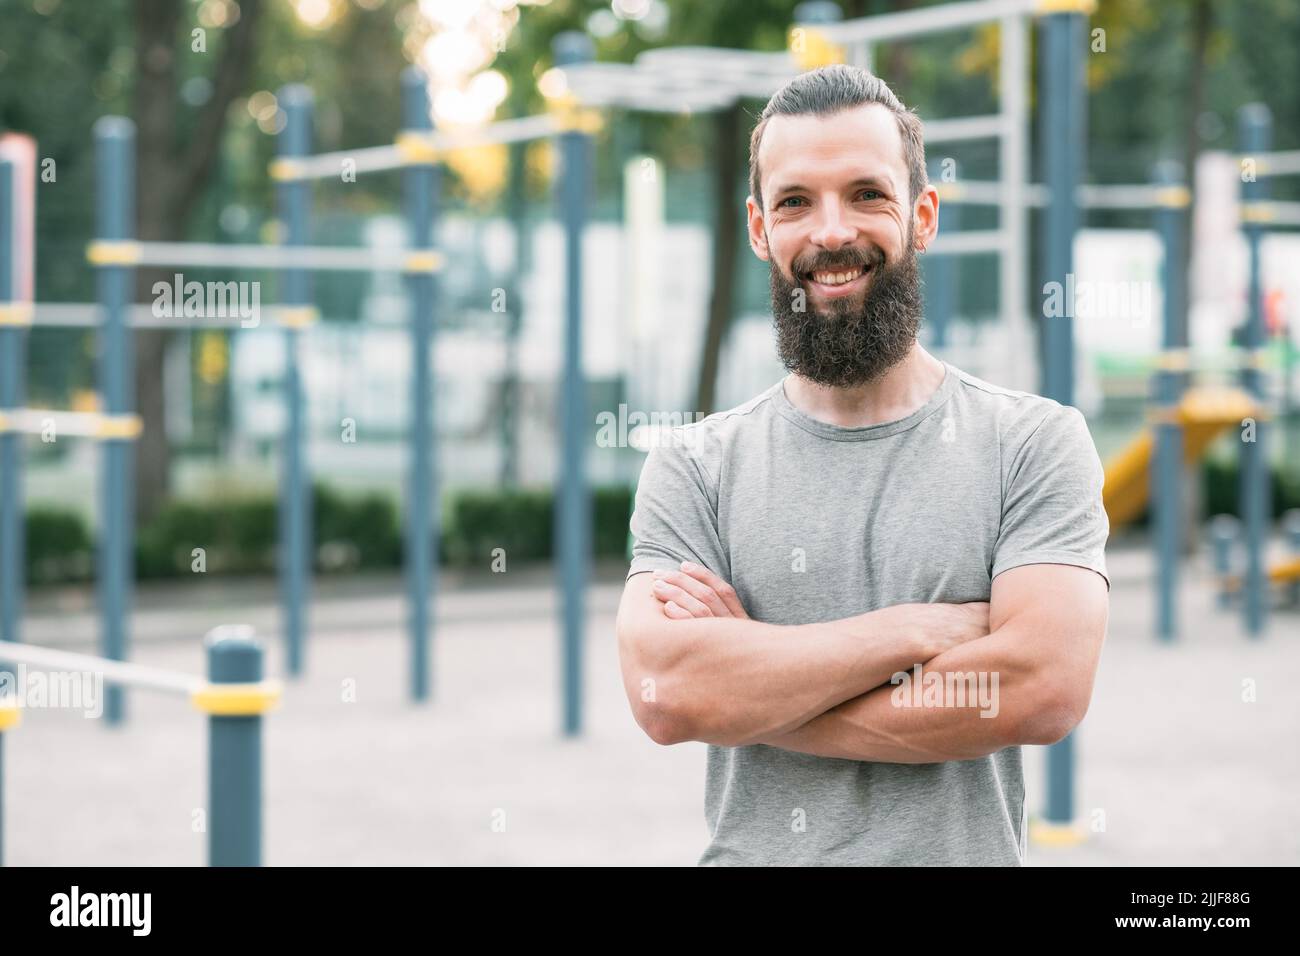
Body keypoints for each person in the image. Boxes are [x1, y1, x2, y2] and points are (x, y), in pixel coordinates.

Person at [615, 64, 1110, 866]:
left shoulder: (1033, 443)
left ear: (922, 216)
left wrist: (753, 694)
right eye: (795, 202)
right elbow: (665, 693)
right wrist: (916, 631)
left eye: (866, 194)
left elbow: (1040, 689)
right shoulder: (694, 464)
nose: (832, 233)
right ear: (757, 228)